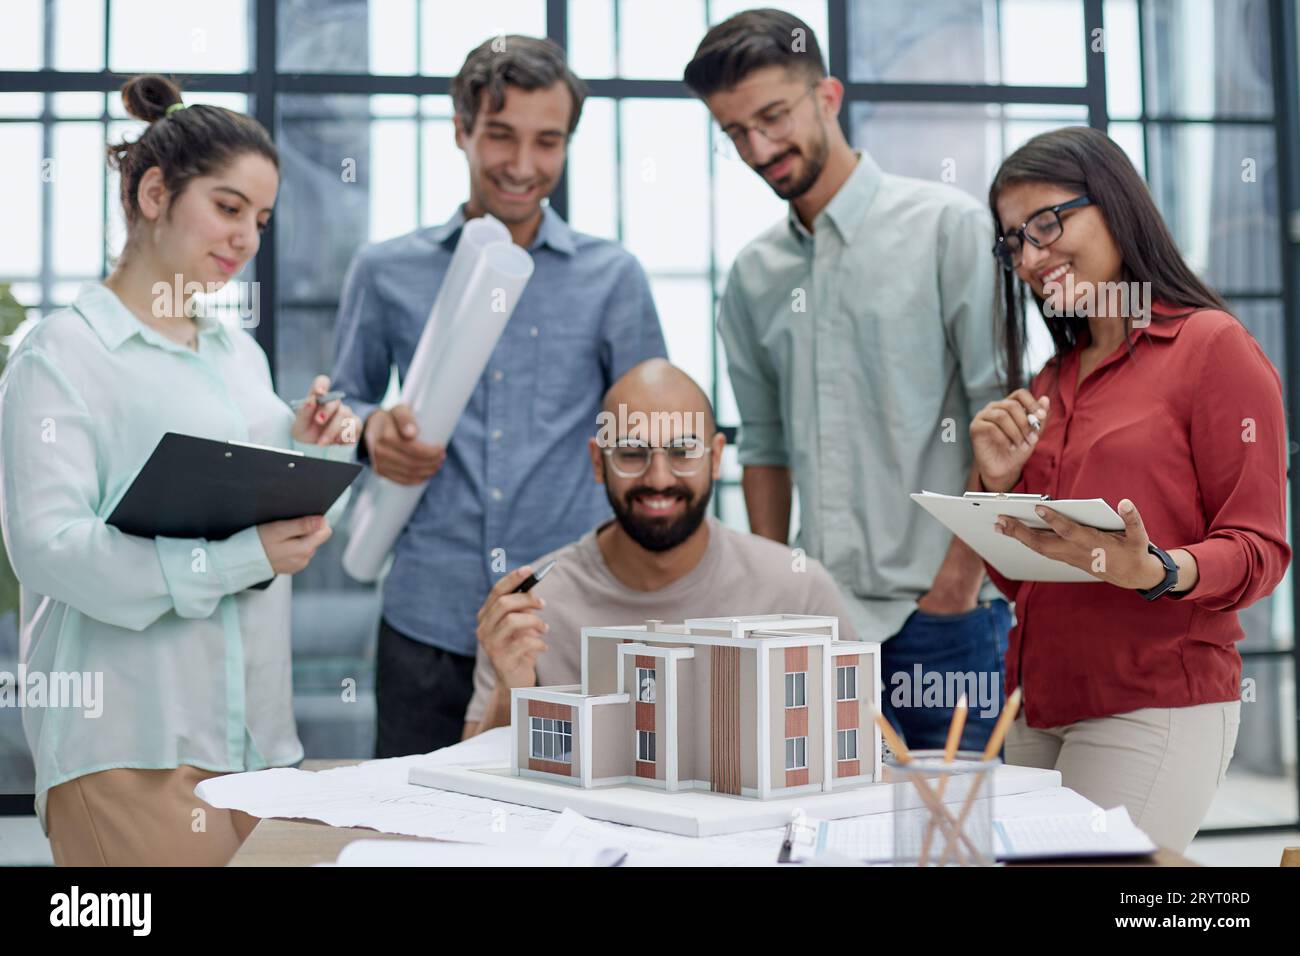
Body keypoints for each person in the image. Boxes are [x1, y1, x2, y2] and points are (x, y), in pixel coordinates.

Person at [0, 75, 357, 866]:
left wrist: (318, 446)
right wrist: (240, 560)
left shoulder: (240, 356)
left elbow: (260, 514)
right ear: (155, 192)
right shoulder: (62, 356)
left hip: (259, 747)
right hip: (129, 751)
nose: (248, 239)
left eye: (260, 220)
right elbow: (51, 551)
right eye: (229, 209)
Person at [331, 36, 666, 758]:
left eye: (548, 142)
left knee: (564, 827)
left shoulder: (613, 278)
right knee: (410, 828)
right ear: (461, 130)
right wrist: (369, 431)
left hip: (568, 621)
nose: (522, 166)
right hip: (427, 620)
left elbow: (654, 437)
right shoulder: (385, 270)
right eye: (500, 136)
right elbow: (343, 404)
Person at [685, 10, 1008, 750]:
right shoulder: (752, 276)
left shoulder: (948, 229)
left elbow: (1006, 418)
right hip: (814, 627)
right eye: (735, 132)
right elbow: (762, 444)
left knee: (952, 848)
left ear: (827, 96)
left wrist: (954, 589)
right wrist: (773, 598)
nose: (759, 148)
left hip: (946, 622)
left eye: (772, 117)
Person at [971, 125, 1290, 851]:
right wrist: (998, 483)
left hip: (1154, 703)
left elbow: (1260, 548)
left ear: (1116, 204)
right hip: (1038, 706)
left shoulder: (1212, 348)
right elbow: (1026, 576)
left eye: (1048, 223)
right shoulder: (1053, 380)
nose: (1030, 255)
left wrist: (1158, 570)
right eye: (1013, 241)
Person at [463, 360, 856, 737]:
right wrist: (508, 688)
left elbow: (873, 746)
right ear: (599, 462)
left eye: (682, 451)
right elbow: (469, 780)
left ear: (716, 457)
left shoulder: (799, 588)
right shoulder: (532, 605)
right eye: (632, 454)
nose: (659, 478)